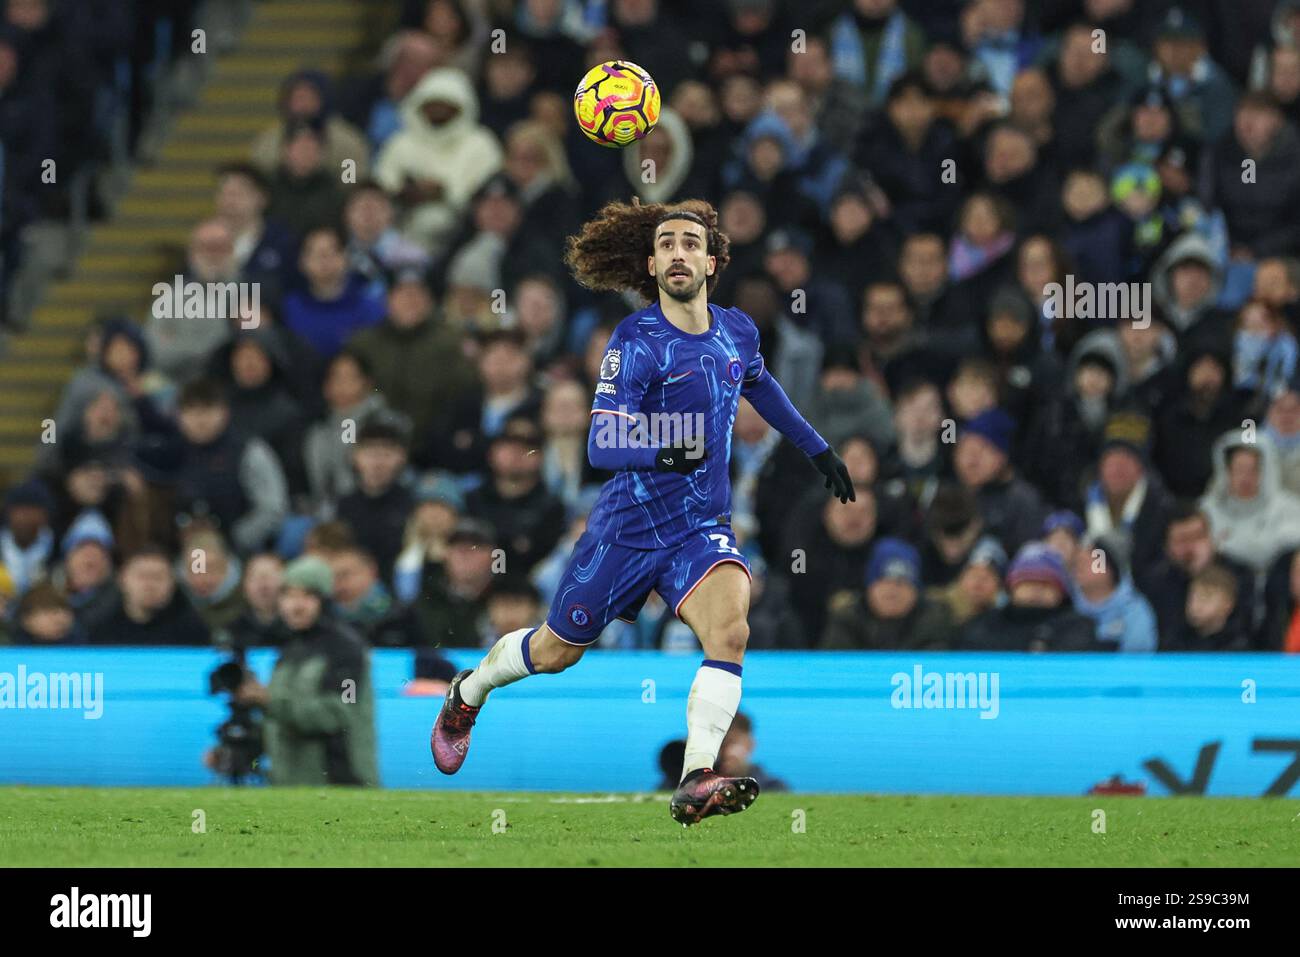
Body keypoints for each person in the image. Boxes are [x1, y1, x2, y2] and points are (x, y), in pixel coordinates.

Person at [430, 199, 854, 826]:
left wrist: (818, 449)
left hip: (701, 527)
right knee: (555, 652)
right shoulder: (634, 342)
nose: (677, 252)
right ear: (651, 264)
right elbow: (602, 444)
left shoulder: (737, 330)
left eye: (689, 243)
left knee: (731, 630)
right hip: (625, 531)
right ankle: (468, 693)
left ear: (711, 261)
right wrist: (667, 448)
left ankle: (696, 776)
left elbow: (758, 381)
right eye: (665, 244)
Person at [233, 556, 379, 785]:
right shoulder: (289, 649)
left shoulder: (347, 649)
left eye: (307, 596)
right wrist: (242, 751)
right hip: (292, 787)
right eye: (288, 595)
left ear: (325, 601)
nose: (295, 606)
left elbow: (339, 712)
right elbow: (279, 722)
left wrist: (269, 701)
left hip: (340, 783)